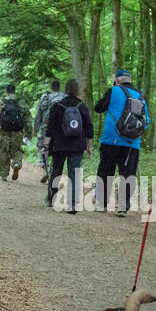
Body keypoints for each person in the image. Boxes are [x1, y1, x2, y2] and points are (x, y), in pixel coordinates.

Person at [94, 69, 150, 217]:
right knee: (128, 174)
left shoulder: (114, 91)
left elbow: (98, 108)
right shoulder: (141, 96)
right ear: (129, 80)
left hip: (111, 140)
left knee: (106, 171)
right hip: (132, 143)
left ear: (118, 80)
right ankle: (123, 208)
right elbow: (147, 121)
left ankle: (101, 204)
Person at [45, 78, 93, 214]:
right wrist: (89, 146)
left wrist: (45, 145)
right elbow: (89, 128)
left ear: (65, 89)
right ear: (78, 90)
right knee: (74, 174)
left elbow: (50, 128)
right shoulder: (82, 106)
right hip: (77, 145)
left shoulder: (57, 106)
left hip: (59, 145)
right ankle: (72, 204)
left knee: (56, 171)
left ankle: (51, 198)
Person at [0, 85, 33, 181]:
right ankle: (16, 164)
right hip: (17, 133)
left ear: (6, 92)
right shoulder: (22, 103)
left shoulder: (0, 103)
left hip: (3, 133)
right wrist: (28, 135)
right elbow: (28, 121)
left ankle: (4, 175)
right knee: (17, 150)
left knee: (3, 152)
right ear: (14, 91)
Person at [32, 79, 67, 183]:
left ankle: (44, 170)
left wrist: (35, 129)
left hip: (45, 128)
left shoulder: (45, 98)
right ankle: (52, 172)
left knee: (42, 148)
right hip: (60, 130)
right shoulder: (64, 98)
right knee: (56, 150)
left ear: (50, 87)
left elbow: (38, 115)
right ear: (59, 87)